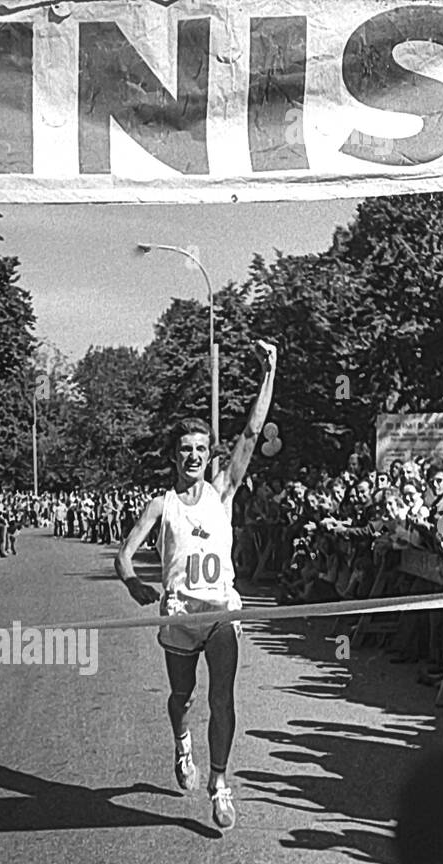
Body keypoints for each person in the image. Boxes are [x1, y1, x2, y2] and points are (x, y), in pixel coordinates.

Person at [115, 341, 277, 832]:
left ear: (209, 456)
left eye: (200, 450)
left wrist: (270, 371)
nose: (192, 457)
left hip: (222, 614)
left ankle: (220, 783)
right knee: (182, 697)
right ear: (173, 456)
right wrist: (135, 585)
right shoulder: (161, 504)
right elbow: (124, 555)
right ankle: (181, 743)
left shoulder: (223, 489)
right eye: (185, 450)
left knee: (222, 699)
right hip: (180, 617)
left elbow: (251, 431)